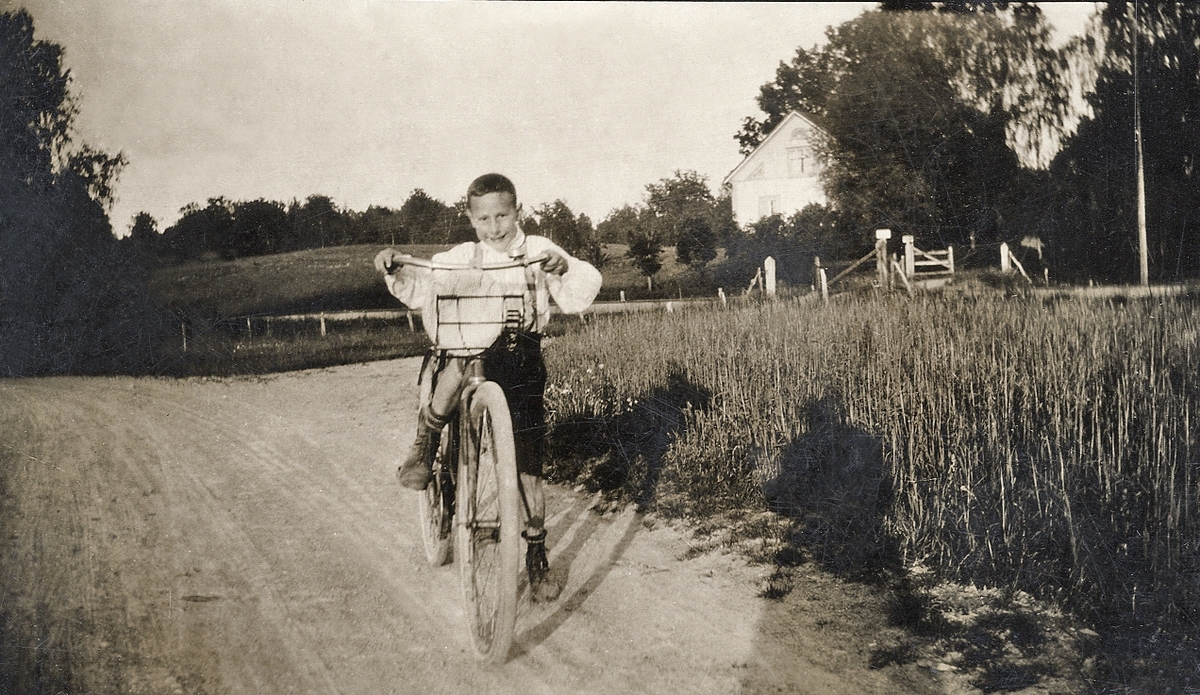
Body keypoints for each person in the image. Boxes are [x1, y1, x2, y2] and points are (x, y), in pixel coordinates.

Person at [374, 173, 602, 601]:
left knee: (528, 464)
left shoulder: (538, 249)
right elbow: (426, 283)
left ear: (518, 212)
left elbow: (580, 288)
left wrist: (563, 267)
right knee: (456, 362)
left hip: (522, 357)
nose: (494, 227)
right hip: (472, 352)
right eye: (483, 219)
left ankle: (536, 555)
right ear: (470, 218)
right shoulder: (464, 256)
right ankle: (427, 441)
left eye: (502, 216)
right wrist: (395, 265)